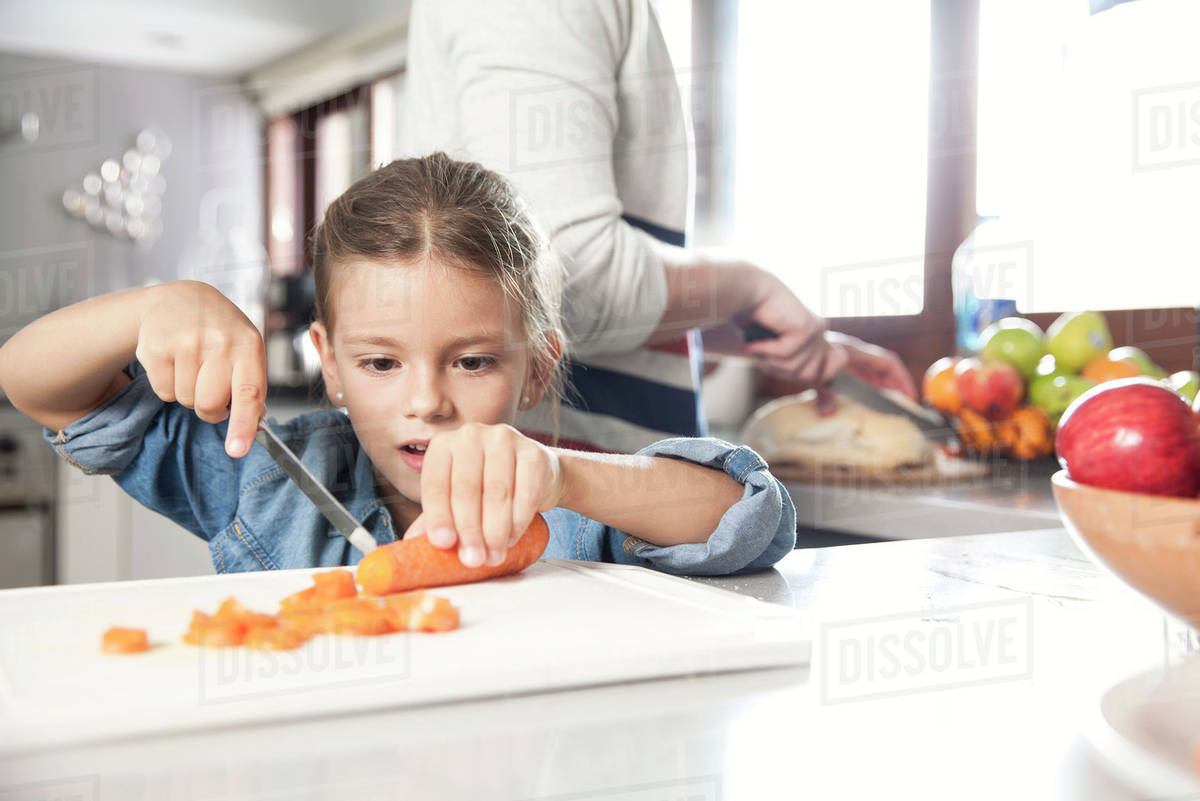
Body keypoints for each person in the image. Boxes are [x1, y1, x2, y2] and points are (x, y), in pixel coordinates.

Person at [0, 154, 795, 575]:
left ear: (537, 369)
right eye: (381, 362)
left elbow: (752, 518)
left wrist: (567, 478)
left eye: (474, 360)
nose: (428, 402)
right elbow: (35, 384)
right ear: (330, 364)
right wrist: (150, 306)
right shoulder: (266, 478)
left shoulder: (574, 513)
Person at [402, 0, 917, 455]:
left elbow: (532, 302)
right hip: (565, 511)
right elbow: (563, 278)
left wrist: (759, 332)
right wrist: (750, 285)